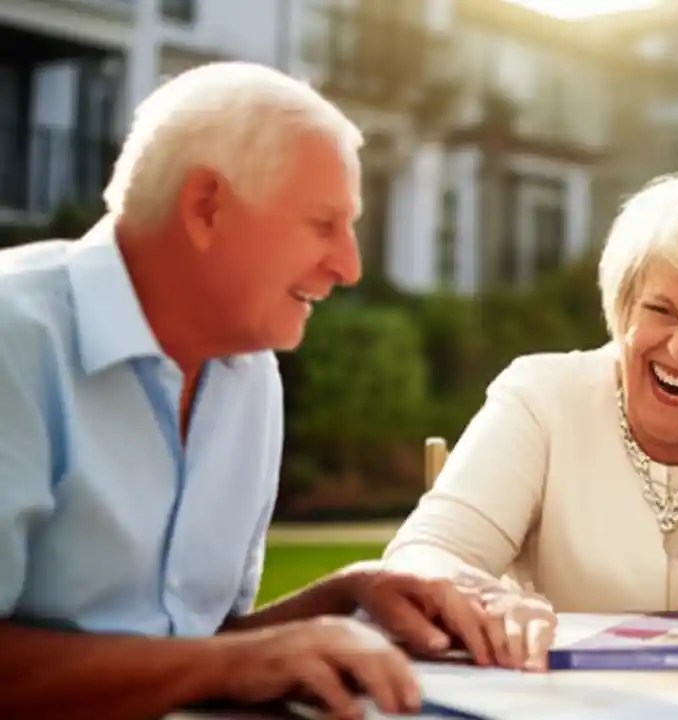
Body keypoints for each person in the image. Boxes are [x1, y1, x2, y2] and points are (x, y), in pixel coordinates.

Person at [0, 62, 504, 720]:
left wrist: (350, 594)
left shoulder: (249, 371)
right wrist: (235, 662)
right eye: (323, 224)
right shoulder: (15, 335)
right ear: (206, 206)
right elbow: (215, 664)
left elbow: (184, 650)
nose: (348, 267)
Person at [383, 172, 678, 669]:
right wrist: (484, 597)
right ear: (623, 305)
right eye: (661, 310)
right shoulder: (541, 399)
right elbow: (425, 553)